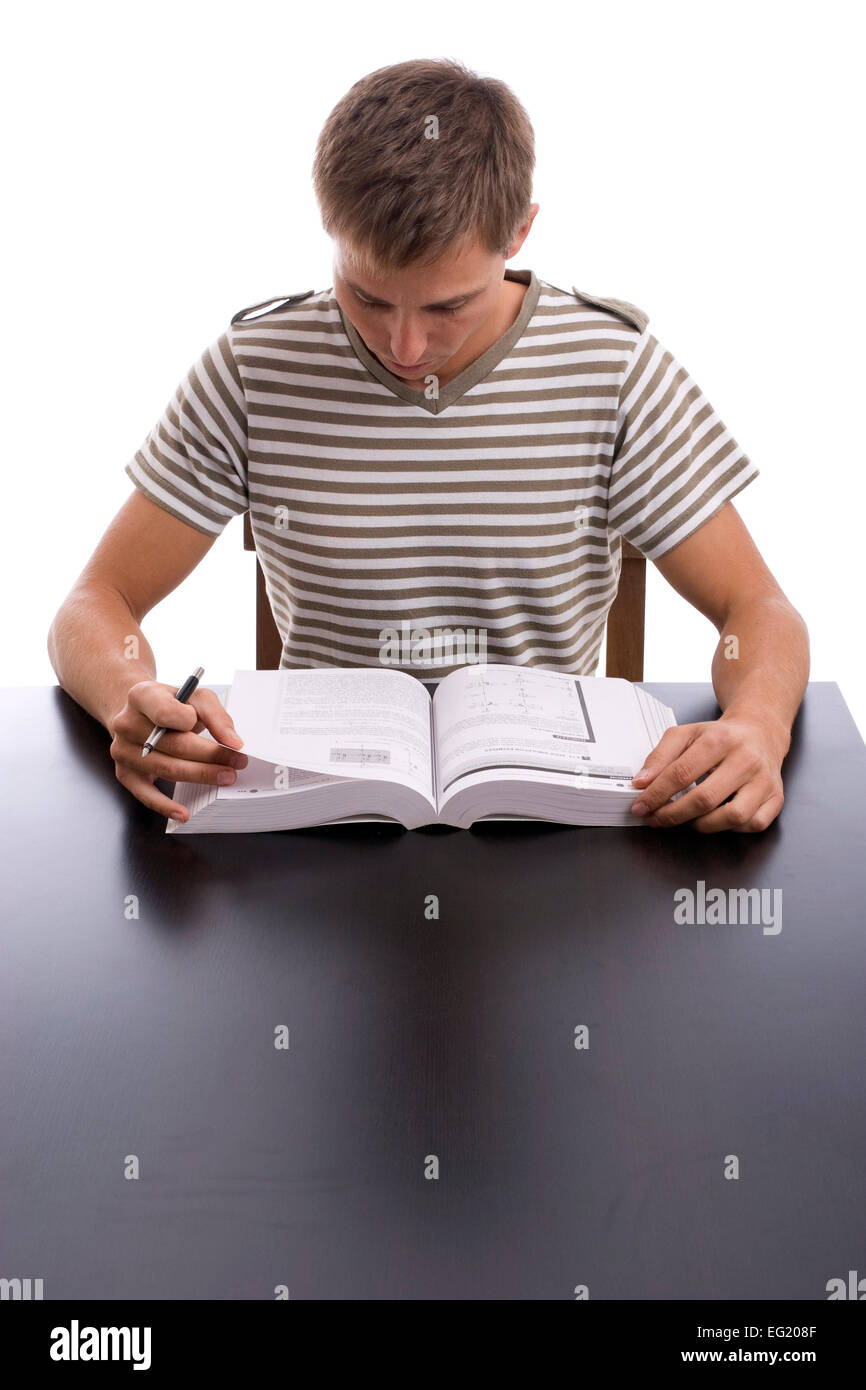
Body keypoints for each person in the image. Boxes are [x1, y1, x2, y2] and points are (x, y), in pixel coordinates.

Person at [47, 58, 808, 834]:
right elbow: (94, 604)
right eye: (367, 297)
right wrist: (128, 698)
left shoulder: (615, 371)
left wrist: (759, 726)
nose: (405, 348)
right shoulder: (254, 369)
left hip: (548, 826)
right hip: (323, 820)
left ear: (520, 232)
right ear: (330, 229)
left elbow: (758, 608)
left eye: (449, 306)